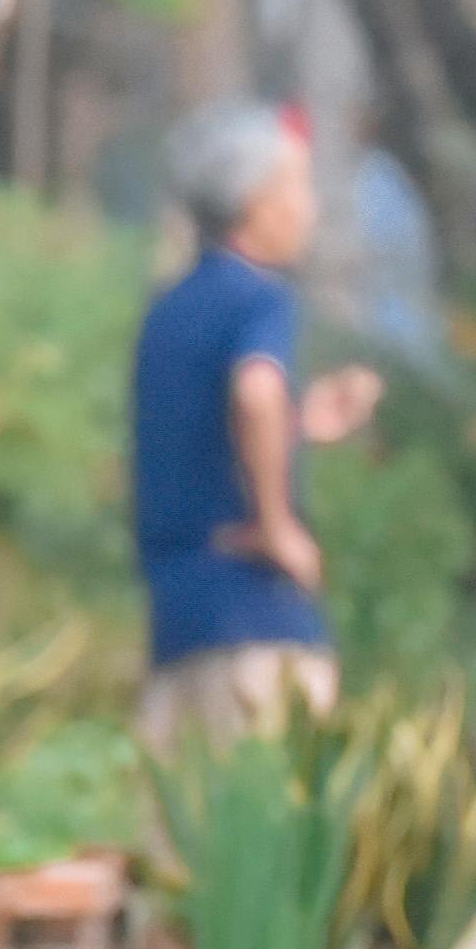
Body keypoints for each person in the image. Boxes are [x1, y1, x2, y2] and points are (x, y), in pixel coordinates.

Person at [132, 101, 381, 747]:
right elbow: (255, 393)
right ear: (255, 202)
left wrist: (300, 424)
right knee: (275, 835)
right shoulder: (260, 297)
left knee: (182, 840)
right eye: (296, 185)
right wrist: (277, 526)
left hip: (179, 621)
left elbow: (208, 426)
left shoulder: (168, 311)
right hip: (258, 622)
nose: (309, 207)